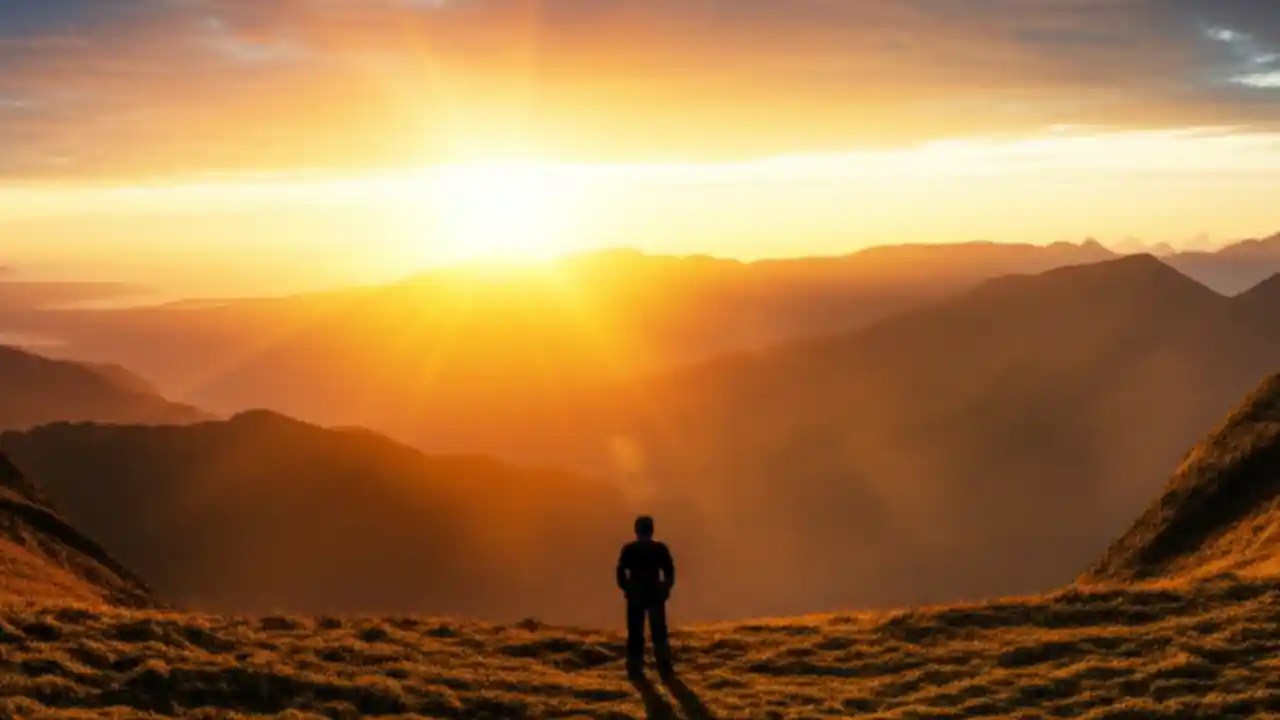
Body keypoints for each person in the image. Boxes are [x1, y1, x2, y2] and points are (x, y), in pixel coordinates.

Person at [616, 515, 675, 678]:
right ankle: (664, 666)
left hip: (636, 595)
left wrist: (627, 588)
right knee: (659, 632)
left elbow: (621, 572)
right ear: (652, 529)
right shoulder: (660, 548)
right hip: (655, 594)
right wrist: (664, 589)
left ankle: (635, 668)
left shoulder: (629, 549)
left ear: (636, 530)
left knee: (635, 633)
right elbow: (669, 571)